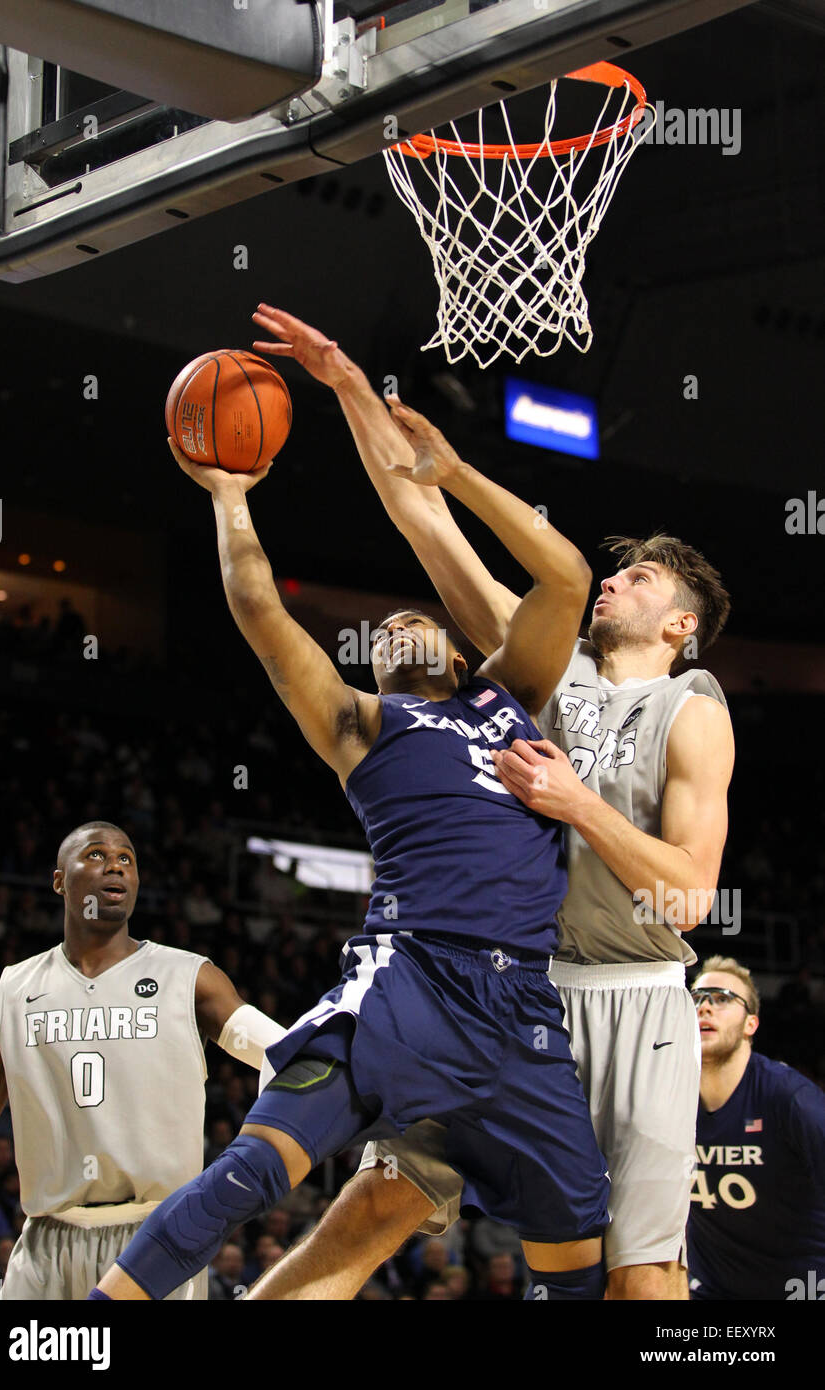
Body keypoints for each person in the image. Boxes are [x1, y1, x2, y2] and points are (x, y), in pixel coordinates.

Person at [241, 306, 735, 1302]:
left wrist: (575, 802)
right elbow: (419, 514)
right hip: (507, 990)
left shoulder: (691, 707)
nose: (615, 580)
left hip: (635, 1000)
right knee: (383, 1197)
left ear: (678, 623)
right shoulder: (544, 662)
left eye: (638, 575)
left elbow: (686, 899)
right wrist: (345, 385)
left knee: (638, 1278)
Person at [89, 369, 611, 1302]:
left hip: (526, 1012)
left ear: (462, 652)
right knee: (246, 1178)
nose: (400, 626)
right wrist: (231, 499)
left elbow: (567, 577)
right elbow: (259, 610)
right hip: (409, 980)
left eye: (419, 619)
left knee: (578, 1266)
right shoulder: (359, 725)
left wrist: (452, 473)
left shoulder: (514, 696)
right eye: (382, 630)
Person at [0, 820, 283, 1299]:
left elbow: (284, 1052)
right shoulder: (10, 993)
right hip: (46, 1242)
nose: (114, 864)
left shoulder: (189, 976)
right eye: (95, 855)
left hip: (156, 1239)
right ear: (58, 881)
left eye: (126, 858)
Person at [687, 956, 825, 1301]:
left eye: (721, 998)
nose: (705, 1008)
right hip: (712, 1290)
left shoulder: (793, 1100)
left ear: (751, 1024)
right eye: (697, 998)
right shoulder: (662, 1098)